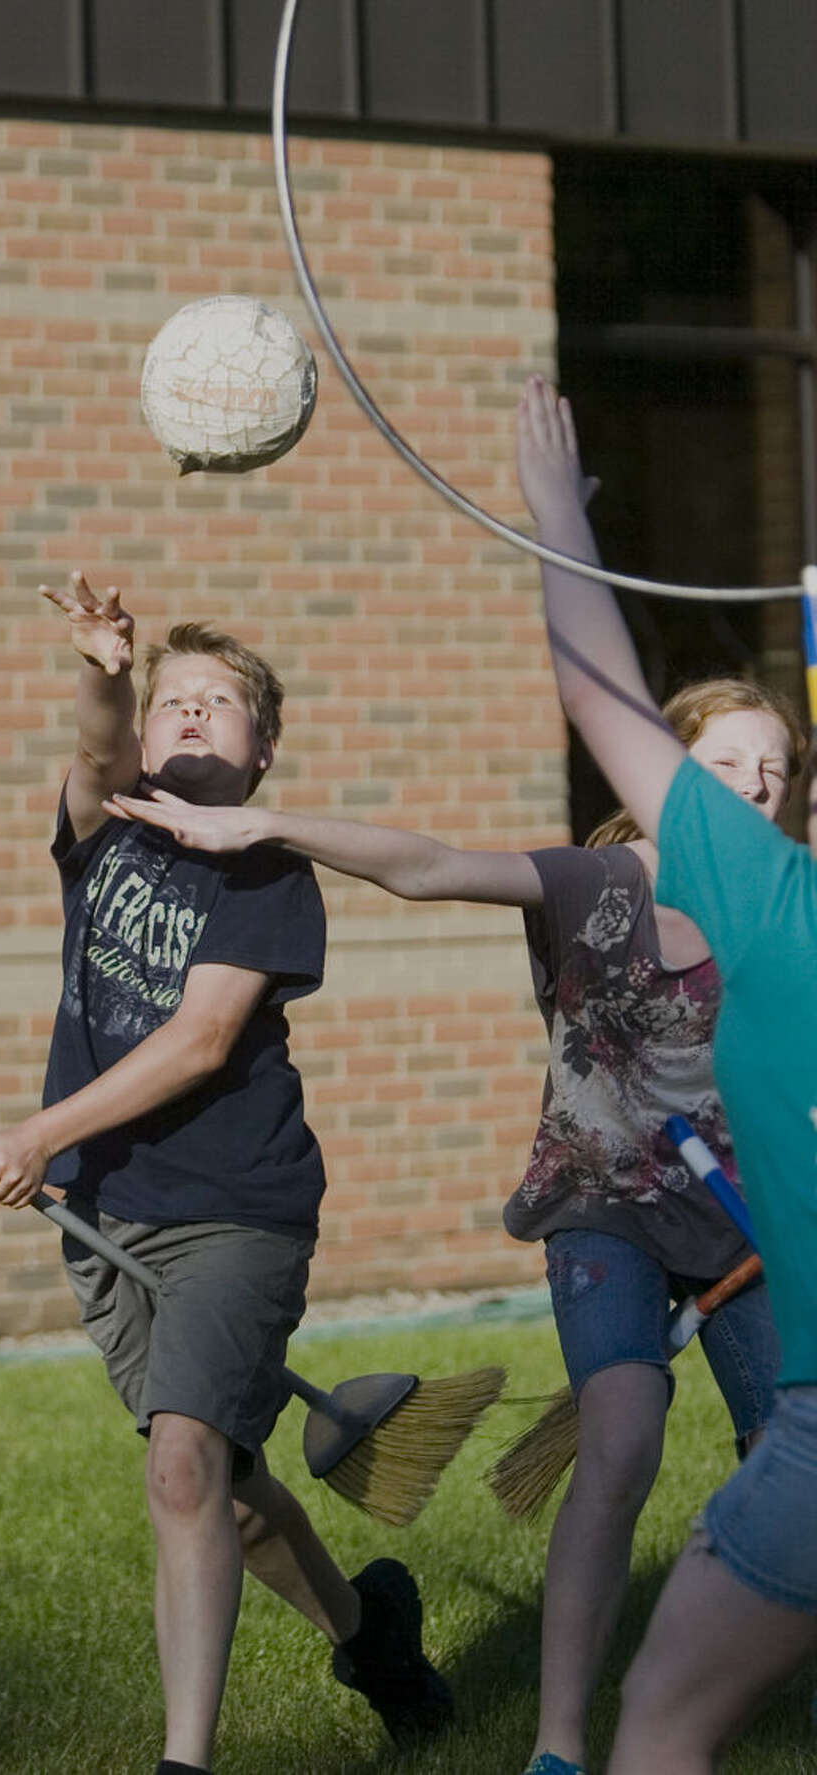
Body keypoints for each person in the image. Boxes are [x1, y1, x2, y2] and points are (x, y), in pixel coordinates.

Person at [107, 618, 805, 1774]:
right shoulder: (597, 884)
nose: (754, 788)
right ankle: (561, 1742)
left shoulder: (788, 911)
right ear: (668, 777)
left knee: (795, 1448)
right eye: (725, 765)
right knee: (622, 1434)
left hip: (748, 1217)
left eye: (774, 772)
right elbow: (429, 866)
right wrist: (265, 821)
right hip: (603, 1204)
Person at [0, 571, 452, 1775]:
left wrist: (39, 1130)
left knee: (180, 1459)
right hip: (106, 1212)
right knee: (225, 1486)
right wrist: (106, 665)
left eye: (219, 702)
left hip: (238, 1209)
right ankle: (371, 1634)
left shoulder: (269, 877)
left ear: (263, 750)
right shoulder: (104, 831)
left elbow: (200, 1041)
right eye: (172, 698)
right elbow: (94, 744)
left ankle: (184, 1759)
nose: (189, 712)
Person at [513, 372, 817, 1774]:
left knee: (670, 1717)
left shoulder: (768, 909)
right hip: (626, 1221)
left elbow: (597, 693)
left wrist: (557, 515)